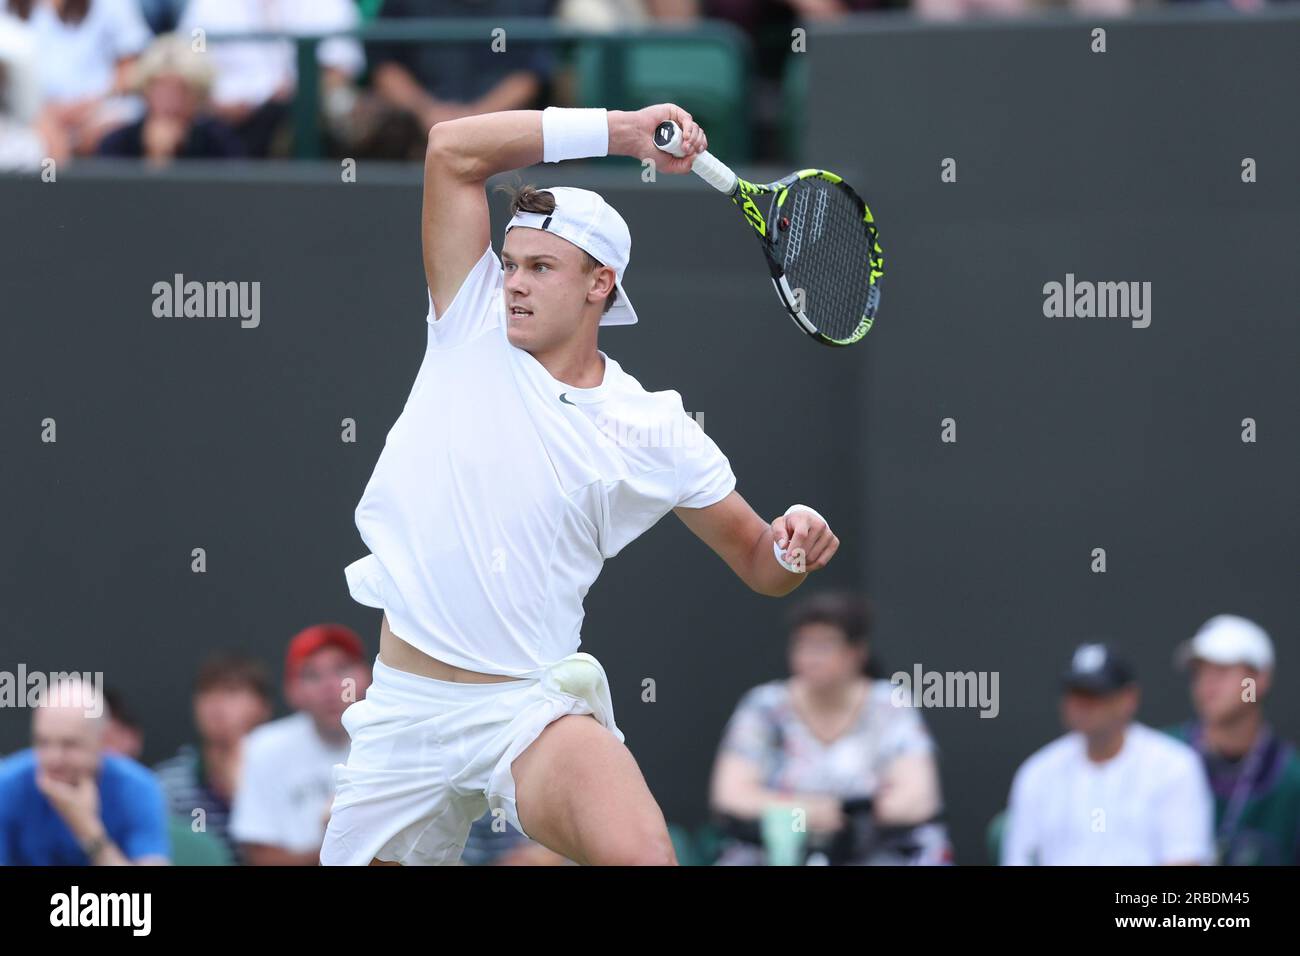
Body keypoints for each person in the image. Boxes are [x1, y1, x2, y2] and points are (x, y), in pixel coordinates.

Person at [320, 104, 840, 867]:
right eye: (509, 264)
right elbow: (451, 149)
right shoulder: (467, 321)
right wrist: (622, 132)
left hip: (526, 708)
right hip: (405, 709)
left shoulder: (651, 426)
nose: (513, 284)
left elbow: (762, 563)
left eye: (540, 267)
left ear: (601, 283)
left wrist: (795, 543)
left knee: (642, 856)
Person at [710, 592, 952, 865]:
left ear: (857, 652)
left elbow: (919, 798)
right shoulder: (765, 706)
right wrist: (804, 812)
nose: (811, 657)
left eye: (824, 646)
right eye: (803, 644)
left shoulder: (890, 704)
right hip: (779, 851)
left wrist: (847, 816)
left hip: (873, 850)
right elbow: (730, 795)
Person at [1002, 642, 1214, 865]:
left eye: (1094, 693)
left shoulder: (1174, 766)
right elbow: (1019, 859)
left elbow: (1185, 859)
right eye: (1075, 692)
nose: (1082, 704)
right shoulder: (1037, 773)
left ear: (1128, 698)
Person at [230, 624, 371, 865]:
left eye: (342, 669)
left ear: (367, 676)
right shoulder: (264, 747)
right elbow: (259, 856)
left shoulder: (396, 742)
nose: (330, 685)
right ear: (292, 690)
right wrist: (335, 845)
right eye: (312, 675)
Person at [1165, 615, 1300, 865]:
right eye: (1199, 672)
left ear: (1258, 680)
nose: (1207, 684)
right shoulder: (1160, 757)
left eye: (1222, 670)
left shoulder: (1293, 780)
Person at [0, 676, 170, 865]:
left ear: (102, 741)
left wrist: (87, 827)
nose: (54, 758)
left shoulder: (138, 788)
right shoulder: (7, 784)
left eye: (70, 744)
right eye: (43, 742)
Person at [154, 653, 274, 866]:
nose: (216, 704)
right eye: (206, 692)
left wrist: (240, 793)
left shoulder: (287, 776)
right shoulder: (167, 782)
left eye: (232, 692)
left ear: (262, 707)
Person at [8, 0, 153, 155]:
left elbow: (131, 68)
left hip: (99, 109)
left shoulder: (113, 4)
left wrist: (88, 106)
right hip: (26, 113)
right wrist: (43, 116)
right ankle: (50, 177)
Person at [98, 32, 244, 163]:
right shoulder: (118, 144)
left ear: (197, 96)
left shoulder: (219, 143)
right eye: (160, 89)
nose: (169, 101)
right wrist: (155, 157)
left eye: (180, 90)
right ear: (146, 91)